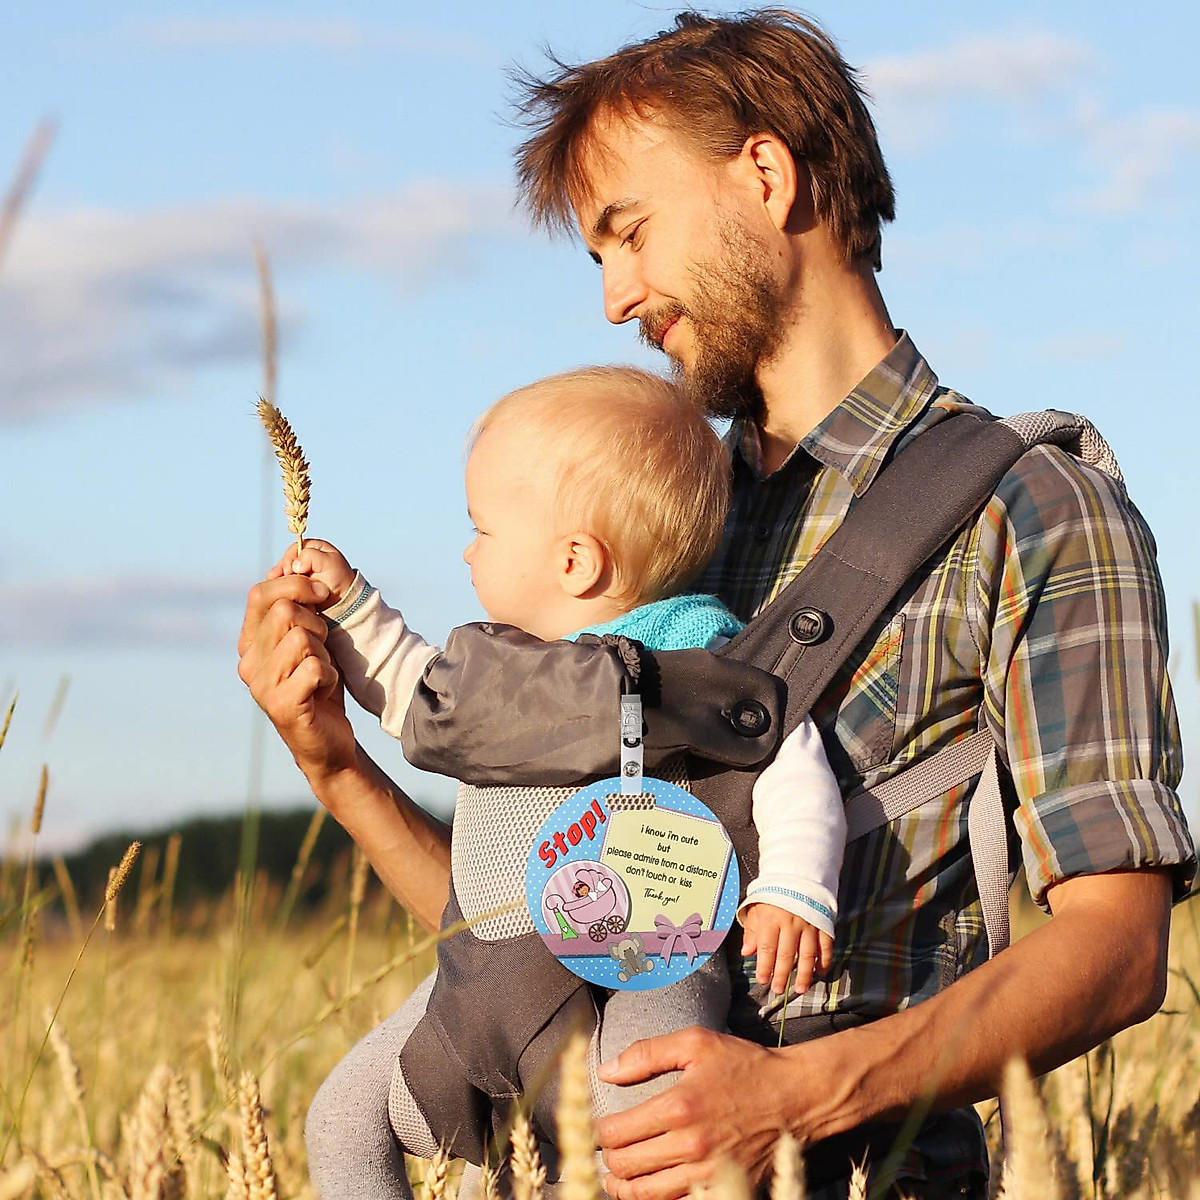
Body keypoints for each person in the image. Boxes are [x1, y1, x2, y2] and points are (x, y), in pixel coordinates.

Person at [238, 9, 1195, 1198]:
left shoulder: (1034, 510)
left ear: (766, 175)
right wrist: (335, 764)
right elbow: (548, 937)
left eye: (629, 233)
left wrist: (800, 1096)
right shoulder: (645, 525)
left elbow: (1117, 947)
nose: (615, 298)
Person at [284, 366, 844, 1197]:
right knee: (341, 1117)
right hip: (486, 973)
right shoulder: (498, 680)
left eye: (481, 529)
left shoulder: (693, 662)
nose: (466, 550)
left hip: (647, 959)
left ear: (575, 561)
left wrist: (795, 888)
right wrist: (352, 606)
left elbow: (788, 754)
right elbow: (410, 688)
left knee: (650, 1118)